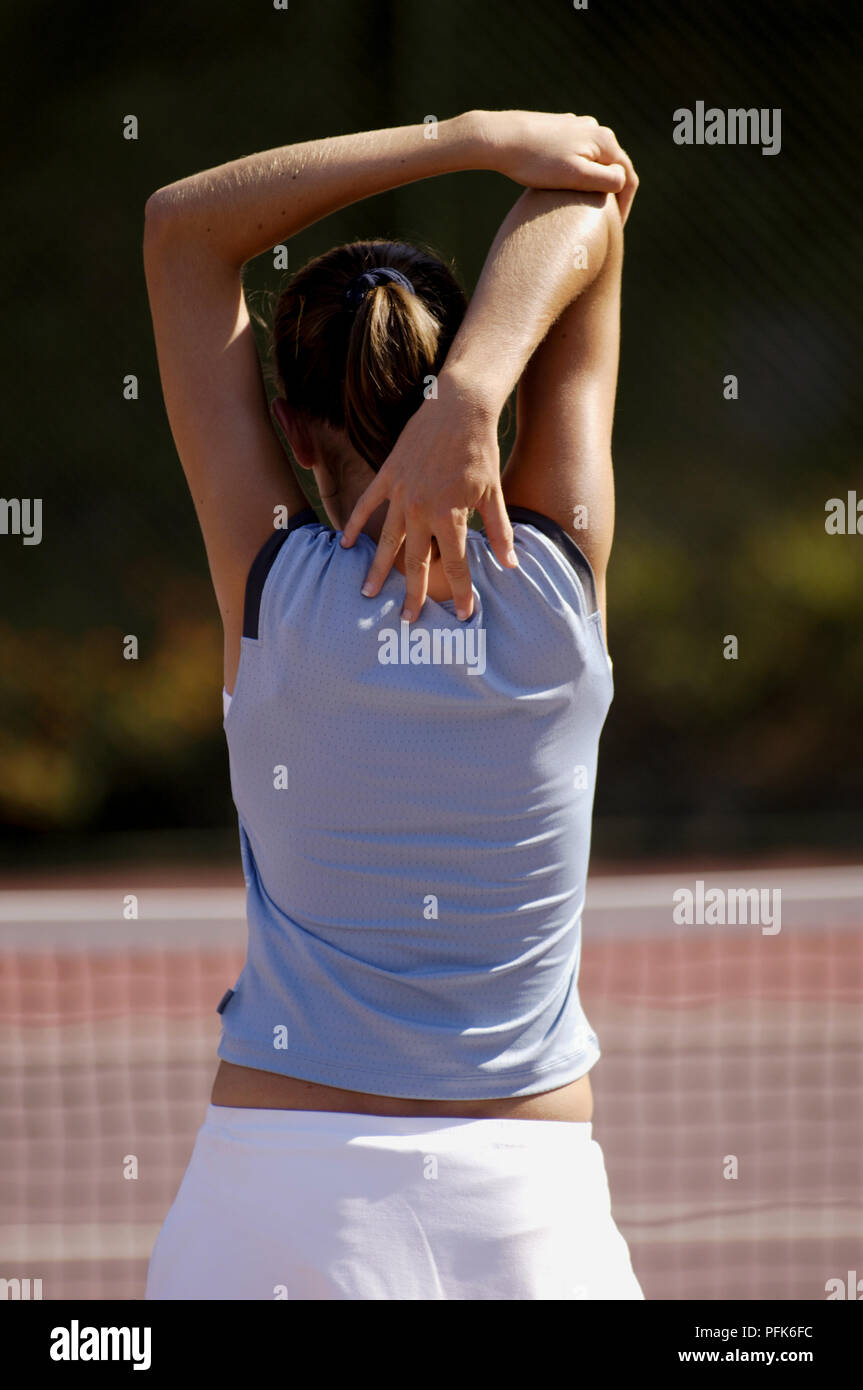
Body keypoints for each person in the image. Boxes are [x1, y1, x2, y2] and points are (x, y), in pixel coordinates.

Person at [142, 108, 643, 1300]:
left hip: (267, 1206)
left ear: (290, 425)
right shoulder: (555, 588)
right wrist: (471, 390)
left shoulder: (270, 587)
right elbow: (593, 197)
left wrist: (460, 137)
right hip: (533, 1213)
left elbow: (181, 232)